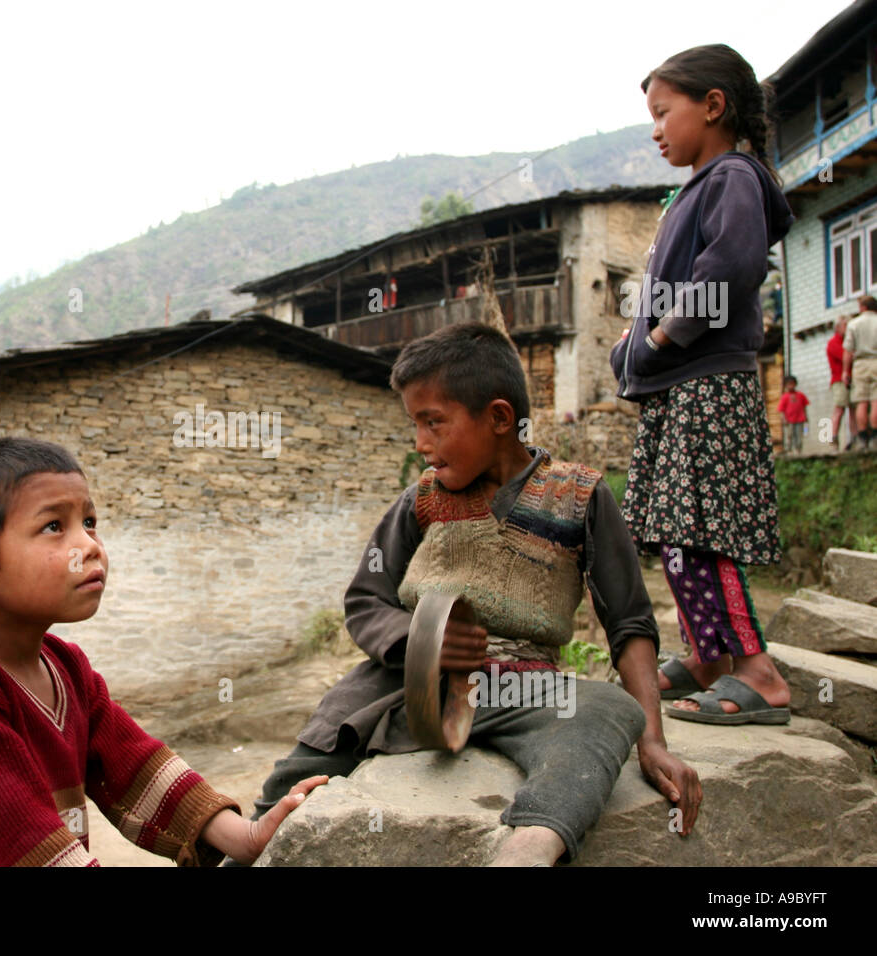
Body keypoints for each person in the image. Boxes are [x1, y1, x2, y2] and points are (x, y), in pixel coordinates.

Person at [241, 323, 701, 867]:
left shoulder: (580, 496)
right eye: (415, 424)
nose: (421, 443)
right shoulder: (422, 500)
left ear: (500, 419)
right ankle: (242, 849)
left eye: (433, 422)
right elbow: (366, 599)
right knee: (305, 762)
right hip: (404, 688)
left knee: (604, 711)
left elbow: (628, 623)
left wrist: (652, 737)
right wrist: (420, 640)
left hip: (523, 692)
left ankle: (531, 846)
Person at [0, 437, 323, 866]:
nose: (91, 547)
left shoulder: (64, 668)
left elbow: (134, 764)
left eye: (90, 522)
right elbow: (23, 846)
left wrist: (244, 836)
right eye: (54, 526)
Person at [611, 44, 794, 725]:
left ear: (712, 105)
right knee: (671, 530)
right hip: (675, 389)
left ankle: (761, 675)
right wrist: (632, 348)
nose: (656, 129)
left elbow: (733, 262)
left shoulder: (733, 178)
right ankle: (708, 656)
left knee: (702, 530)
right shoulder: (692, 190)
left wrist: (662, 338)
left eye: (663, 112)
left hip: (708, 385)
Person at [843, 295, 877, 451]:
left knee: (861, 401)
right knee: (876, 400)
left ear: (863, 307)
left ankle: (863, 438)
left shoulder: (853, 324)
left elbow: (848, 350)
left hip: (860, 364)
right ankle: (875, 438)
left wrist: (845, 371)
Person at [827, 315, 858, 451]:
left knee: (853, 410)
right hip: (839, 381)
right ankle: (833, 439)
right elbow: (846, 356)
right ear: (838, 327)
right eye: (846, 325)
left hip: (852, 378)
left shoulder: (848, 341)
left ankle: (854, 439)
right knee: (839, 409)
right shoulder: (833, 343)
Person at [776, 375, 808, 454]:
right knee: (789, 436)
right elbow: (781, 410)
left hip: (800, 419)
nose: (791, 386)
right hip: (789, 421)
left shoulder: (801, 395)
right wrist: (784, 419)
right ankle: (789, 451)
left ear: (795, 384)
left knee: (799, 436)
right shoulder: (784, 397)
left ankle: (798, 450)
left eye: (792, 384)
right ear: (786, 385)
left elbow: (804, 407)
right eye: (789, 384)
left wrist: (806, 417)